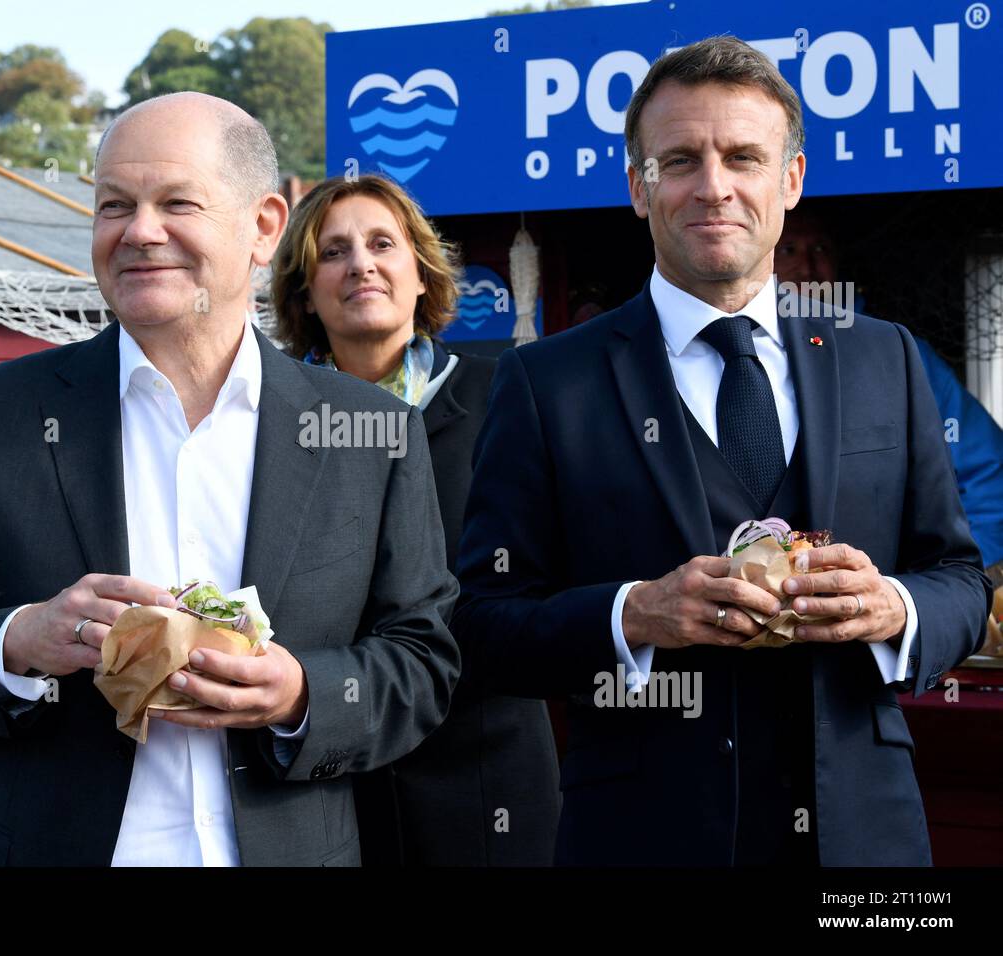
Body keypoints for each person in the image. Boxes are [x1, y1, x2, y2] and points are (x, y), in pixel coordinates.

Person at [0, 92, 459, 866]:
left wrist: (300, 693)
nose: (140, 232)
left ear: (263, 226)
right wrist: (22, 639)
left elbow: (422, 660)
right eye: (114, 205)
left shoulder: (371, 429)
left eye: (176, 202)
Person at [452, 36, 992, 866]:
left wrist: (896, 609)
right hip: (640, 836)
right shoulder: (544, 381)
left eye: (744, 156)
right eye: (680, 160)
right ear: (639, 187)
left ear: (791, 180)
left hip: (863, 839)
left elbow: (956, 577)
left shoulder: (884, 355)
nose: (714, 187)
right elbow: (482, 621)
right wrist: (634, 613)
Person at [271, 173, 559, 866]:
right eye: (333, 252)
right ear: (306, 290)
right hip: (326, 782)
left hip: (489, 781)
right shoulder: (269, 423)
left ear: (423, 274)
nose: (360, 264)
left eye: (381, 244)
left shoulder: (508, 399)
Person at [775, 207, 1003, 573]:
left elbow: (986, 470)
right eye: (788, 251)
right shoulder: (725, 350)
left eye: (820, 250)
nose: (807, 268)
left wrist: (963, 577)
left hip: (886, 601)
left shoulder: (894, 351)